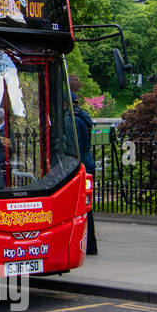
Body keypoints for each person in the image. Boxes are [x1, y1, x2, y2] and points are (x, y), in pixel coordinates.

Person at [70, 76, 98, 256]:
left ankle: (85, 244)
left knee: (80, 207)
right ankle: (90, 245)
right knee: (86, 206)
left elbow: (76, 145)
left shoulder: (74, 119)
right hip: (88, 162)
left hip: (80, 163)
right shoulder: (84, 117)